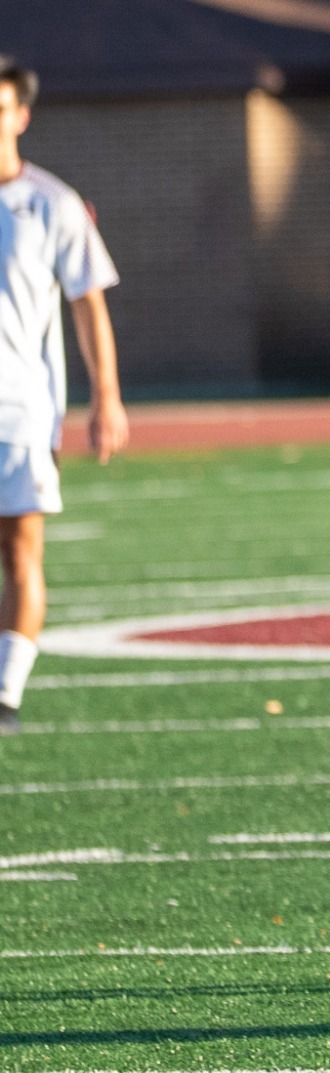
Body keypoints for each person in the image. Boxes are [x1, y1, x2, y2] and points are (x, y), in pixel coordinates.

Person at [0, 55, 127, 733]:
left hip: (19, 412)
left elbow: (88, 306)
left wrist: (105, 396)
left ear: (20, 115)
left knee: (21, 552)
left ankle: (6, 696)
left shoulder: (53, 203)